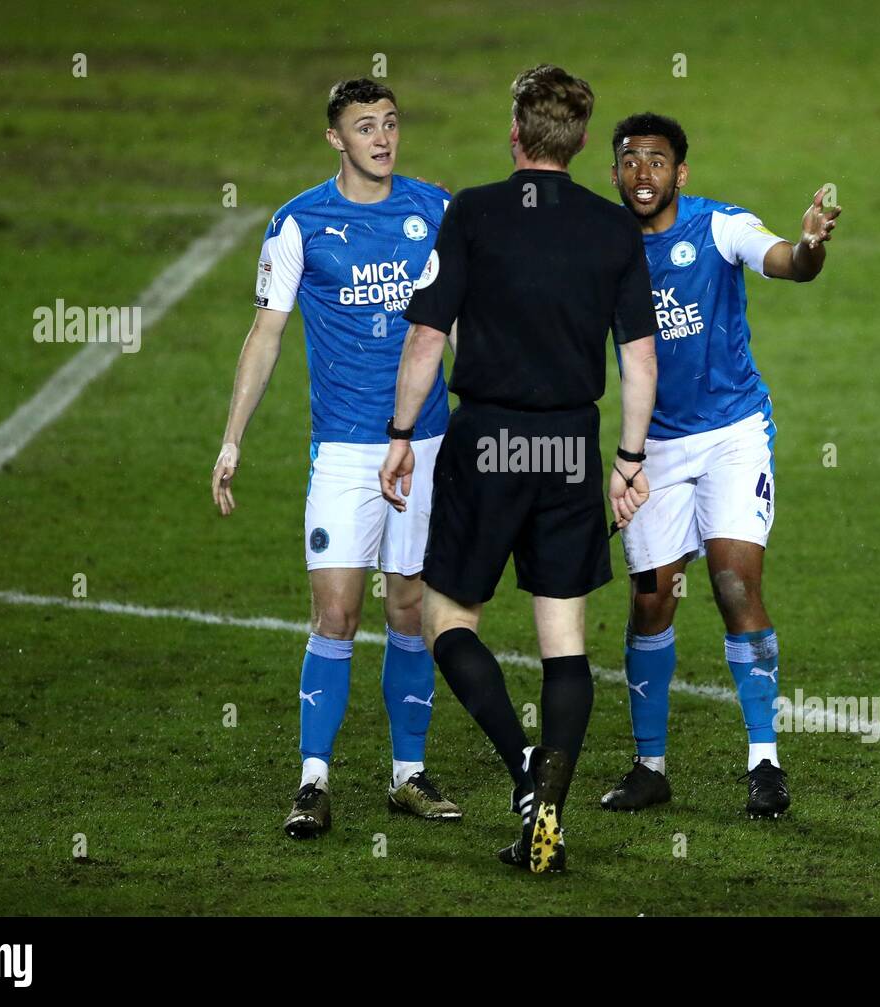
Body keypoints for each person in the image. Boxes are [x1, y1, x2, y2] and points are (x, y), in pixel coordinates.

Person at [379, 65, 658, 873]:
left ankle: (523, 775)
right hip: (570, 445)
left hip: (489, 442)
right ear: (578, 145)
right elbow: (639, 362)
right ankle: (555, 808)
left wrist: (401, 431)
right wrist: (629, 459)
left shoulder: (473, 212)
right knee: (564, 644)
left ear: (515, 136)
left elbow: (427, 339)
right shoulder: (614, 230)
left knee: (447, 621)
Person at [211, 79, 462, 839]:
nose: (382, 138)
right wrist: (232, 438)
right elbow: (265, 335)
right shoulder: (299, 224)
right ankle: (313, 780)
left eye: (389, 123)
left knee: (409, 608)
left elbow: (461, 325)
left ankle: (408, 776)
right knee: (337, 611)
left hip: (425, 443)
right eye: (364, 127)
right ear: (336, 139)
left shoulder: (436, 210)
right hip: (347, 451)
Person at [599, 112, 842, 819]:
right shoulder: (605, 247)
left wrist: (808, 246)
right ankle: (650, 766)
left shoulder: (716, 226)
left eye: (657, 160)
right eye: (630, 161)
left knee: (735, 580)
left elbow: (785, 263)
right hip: (655, 447)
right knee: (651, 599)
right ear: (613, 172)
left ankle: (764, 760)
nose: (643, 173)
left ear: (682, 172)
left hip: (733, 433)